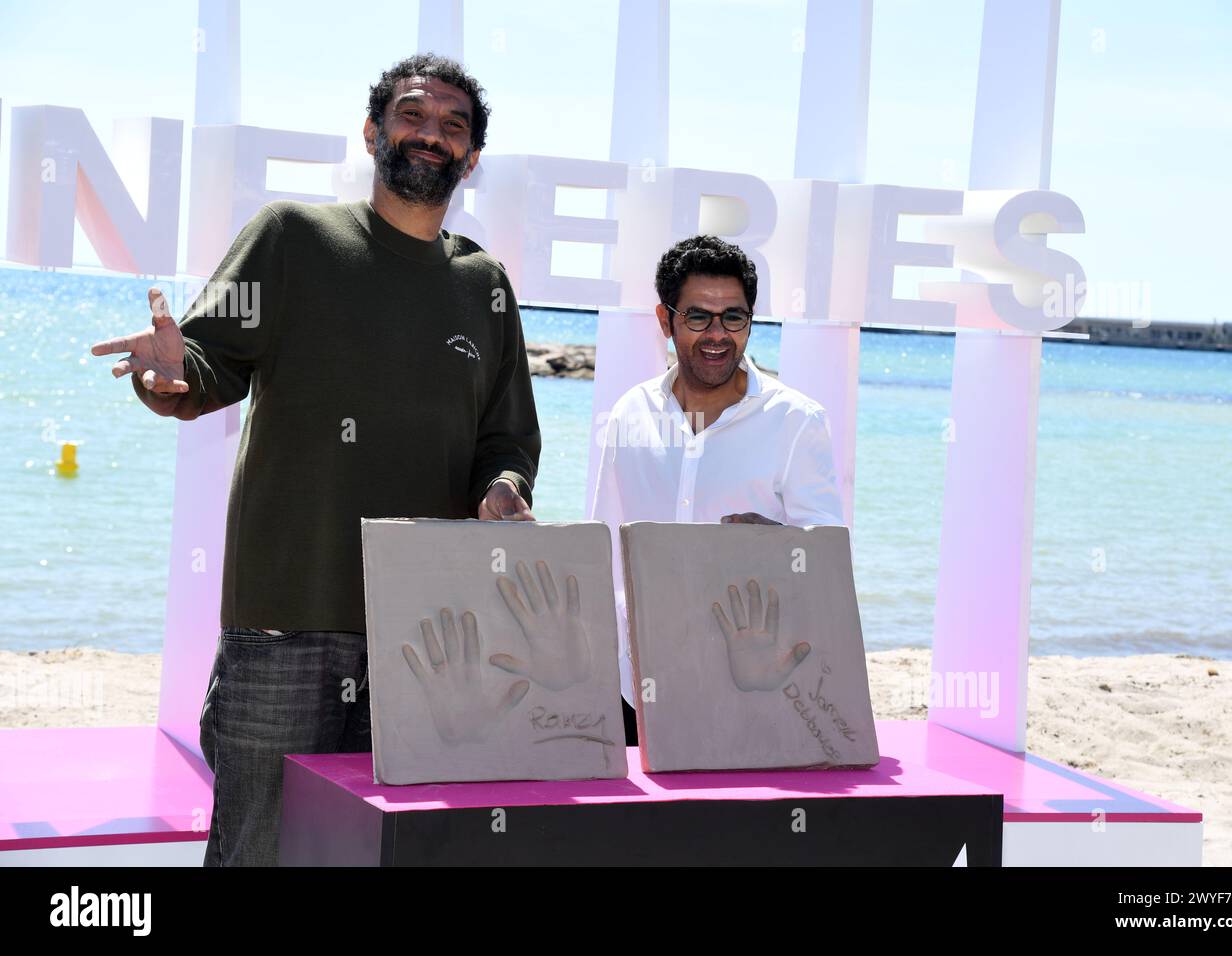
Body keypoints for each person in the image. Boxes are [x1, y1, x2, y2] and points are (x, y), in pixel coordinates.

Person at [90, 54, 541, 866]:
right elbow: (205, 362)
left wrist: (504, 490)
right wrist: (170, 372)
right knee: (256, 849)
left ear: (471, 159)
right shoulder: (291, 238)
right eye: (412, 115)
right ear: (373, 132)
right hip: (283, 618)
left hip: (426, 628)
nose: (430, 135)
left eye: (453, 127)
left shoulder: (486, 284)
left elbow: (505, 441)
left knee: (383, 853)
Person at [588, 235, 845, 744]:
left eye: (734, 317)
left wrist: (782, 545)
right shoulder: (628, 414)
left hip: (748, 685)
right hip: (632, 683)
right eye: (698, 317)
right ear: (666, 321)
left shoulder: (796, 421)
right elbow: (605, 549)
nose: (718, 335)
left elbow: (829, 562)